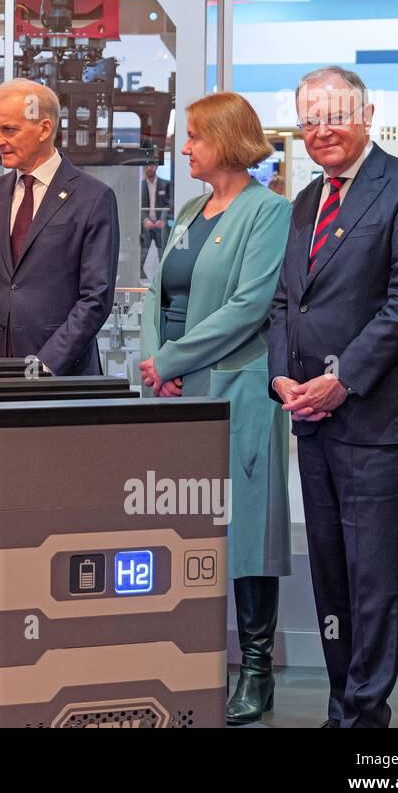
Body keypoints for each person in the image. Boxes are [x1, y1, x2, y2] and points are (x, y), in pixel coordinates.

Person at [268, 66, 398, 728]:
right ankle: (342, 708)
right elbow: (286, 300)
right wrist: (281, 376)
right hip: (312, 417)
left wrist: (342, 378)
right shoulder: (303, 203)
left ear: (367, 114)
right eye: (308, 119)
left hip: (378, 417)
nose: (321, 130)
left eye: (334, 114)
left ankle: (366, 719)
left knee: (371, 580)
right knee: (331, 578)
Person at [137, 92, 292, 725]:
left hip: (237, 390)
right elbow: (154, 291)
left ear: (226, 140)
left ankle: (255, 669)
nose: (186, 147)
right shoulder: (192, 210)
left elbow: (251, 306)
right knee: (179, 525)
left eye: (195, 136)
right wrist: (156, 361)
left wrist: (170, 362)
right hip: (177, 391)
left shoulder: (269, 212)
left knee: (247, 530)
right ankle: (185, 656)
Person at [0, 78, 119, 374]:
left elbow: (96, 298)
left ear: (44, 129)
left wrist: (45, 365)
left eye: (9, 130)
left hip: (62, 377)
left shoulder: (93, 198)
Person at [139, 162, 172, 281]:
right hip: (146, 226)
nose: (149, 168)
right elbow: (137, 205)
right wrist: (145, 219)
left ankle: (165, 279)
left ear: (157, 167)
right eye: (146, 166)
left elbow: (170, 205)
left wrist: (163, 220)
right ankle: (141, 279)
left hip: (160, 226)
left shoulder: (166, 184)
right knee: (141, 255)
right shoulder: (140, 186)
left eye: (152, 165)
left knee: (163, 254)